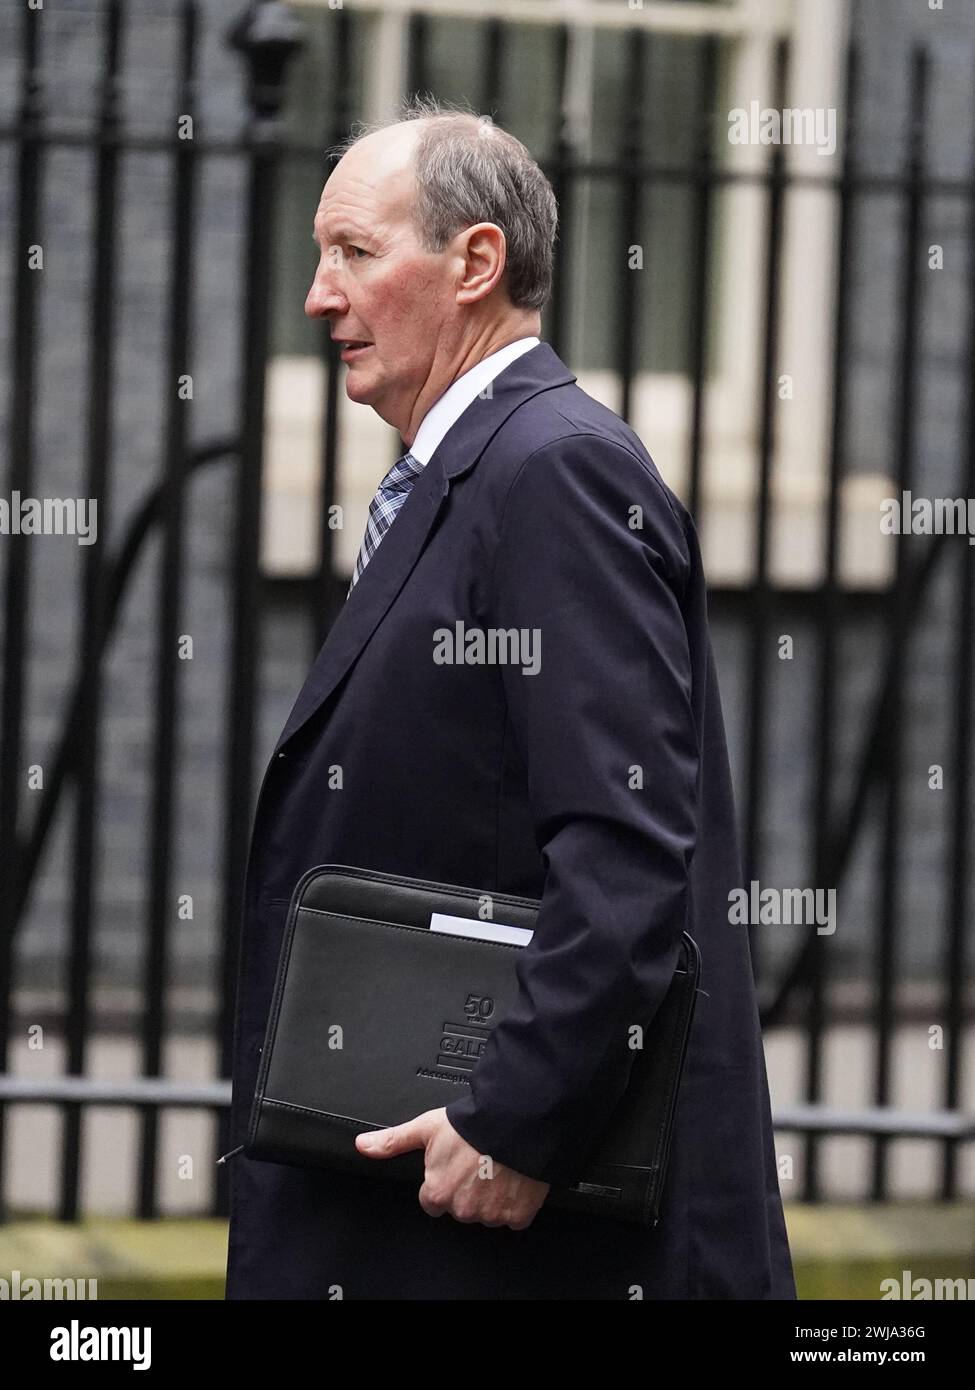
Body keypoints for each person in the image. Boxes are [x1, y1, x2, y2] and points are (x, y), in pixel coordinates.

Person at [224, 97, 796, 1300]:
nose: (319, 297)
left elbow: (627, 842)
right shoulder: (477, 472)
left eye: (354, 254)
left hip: (499, 1234)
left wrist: (515, 1117)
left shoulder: (553, 472)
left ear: (475, 261)